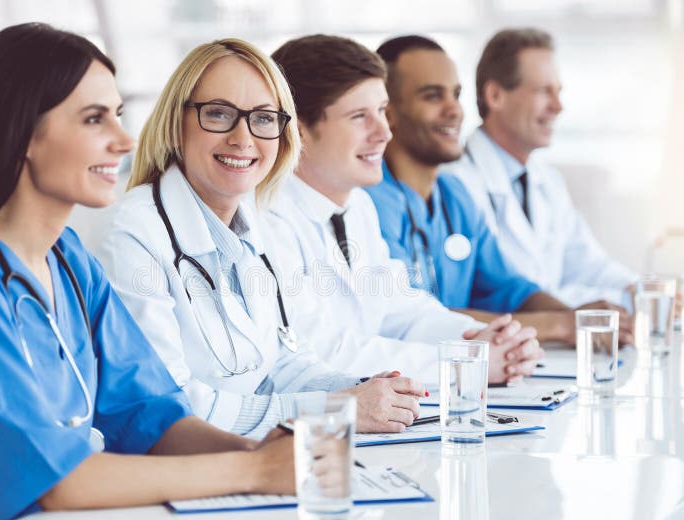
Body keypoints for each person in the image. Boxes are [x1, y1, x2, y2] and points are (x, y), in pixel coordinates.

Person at [0, 24, 296, 520]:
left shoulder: (69, 262)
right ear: (24, 132)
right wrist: (253, 470)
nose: (124, 141)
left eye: (119, 115)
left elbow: (148, 417)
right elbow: (54, 483)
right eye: (94, 119)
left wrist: (267, 455)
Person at [94, 38, 427, 440]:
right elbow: (169, 407)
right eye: (218, 114)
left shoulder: (251, 225)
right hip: (188, 472)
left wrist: (360, 388)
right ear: (175, 121)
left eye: (264, 118)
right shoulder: (133, 233)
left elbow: (280, 363)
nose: (243, 137)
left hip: (254, 456)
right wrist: (336, 407)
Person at [264, 34, 543, 385]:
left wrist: (481, 340)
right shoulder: (267, 220)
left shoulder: (356, 206)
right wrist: (462, 366)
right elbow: (324, 350)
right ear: (299, 131)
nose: (384, 131)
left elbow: (402, 310)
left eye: (382, 111)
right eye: (359, 116)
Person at [365, 34, 620, 345]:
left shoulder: (454, 195)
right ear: (386, 111)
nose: (454, 111)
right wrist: (561, 326)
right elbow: (409, 317)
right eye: (432, 96)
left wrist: (580, 320)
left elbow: (509, 289)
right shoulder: (369, 202)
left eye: (455, 95)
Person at [444, 28, 636, 310]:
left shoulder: (548, 181)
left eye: (558, 92)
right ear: (496, 95)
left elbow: (587, 264)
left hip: (552, 341)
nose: (558, 107)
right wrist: (584, 312)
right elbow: (502, 292)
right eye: (544, 91)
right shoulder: (455, 181)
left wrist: (641, 291)